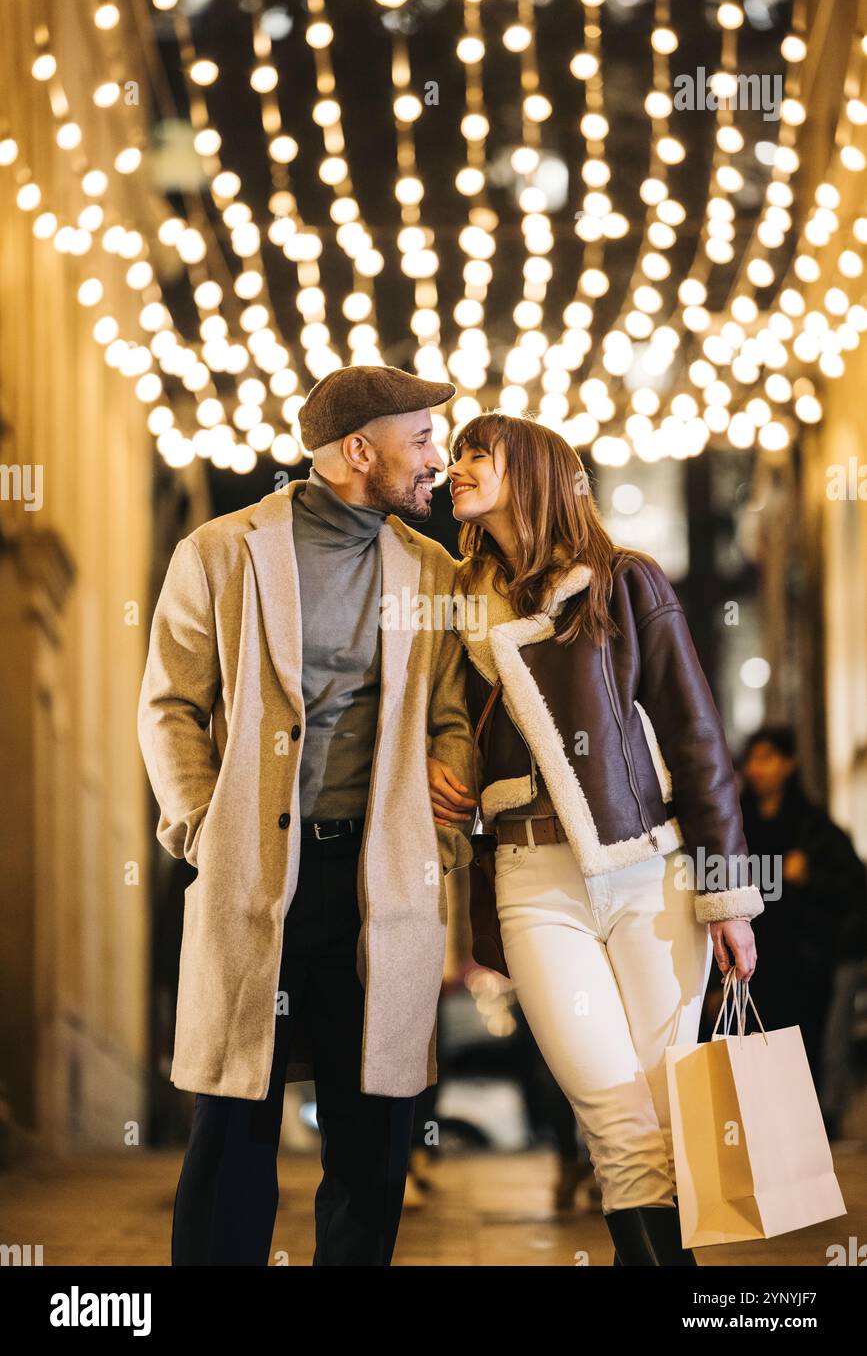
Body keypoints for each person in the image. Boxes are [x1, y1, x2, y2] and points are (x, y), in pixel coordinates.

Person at [137, 364, 477, 1265]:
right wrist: (200, 825)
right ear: (358, 452)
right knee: (232, 1121)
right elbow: (169, 704)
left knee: (374, 1133)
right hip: (256, 873)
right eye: (423, 441)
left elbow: (451, 714)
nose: (436, 461)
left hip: (377, 878)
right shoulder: (221, 551)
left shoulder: (431, 569)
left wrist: (446, 801)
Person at [428, 411, 765, 1267]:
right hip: (530, 879)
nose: (456, 467)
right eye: (454, 454)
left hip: (650, 873)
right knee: (612, 1111)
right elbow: (437, 718)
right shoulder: (451, 600)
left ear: (533, 472)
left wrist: (729, 897)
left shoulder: (624, 582)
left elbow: (695, 737)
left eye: (476, 454)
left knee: (662, 1105)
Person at [740, 725, 867, 1133]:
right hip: (748, 967)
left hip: (803, 969)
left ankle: (805, 1143)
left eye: (768, 758)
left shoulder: (812, 826)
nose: (758, 769)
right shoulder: (735, 825)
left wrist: (809, 875)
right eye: (754, 759)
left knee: (801, 1057)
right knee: (750, 1063)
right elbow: (712, 879)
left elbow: (853, 887)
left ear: (789, 763)